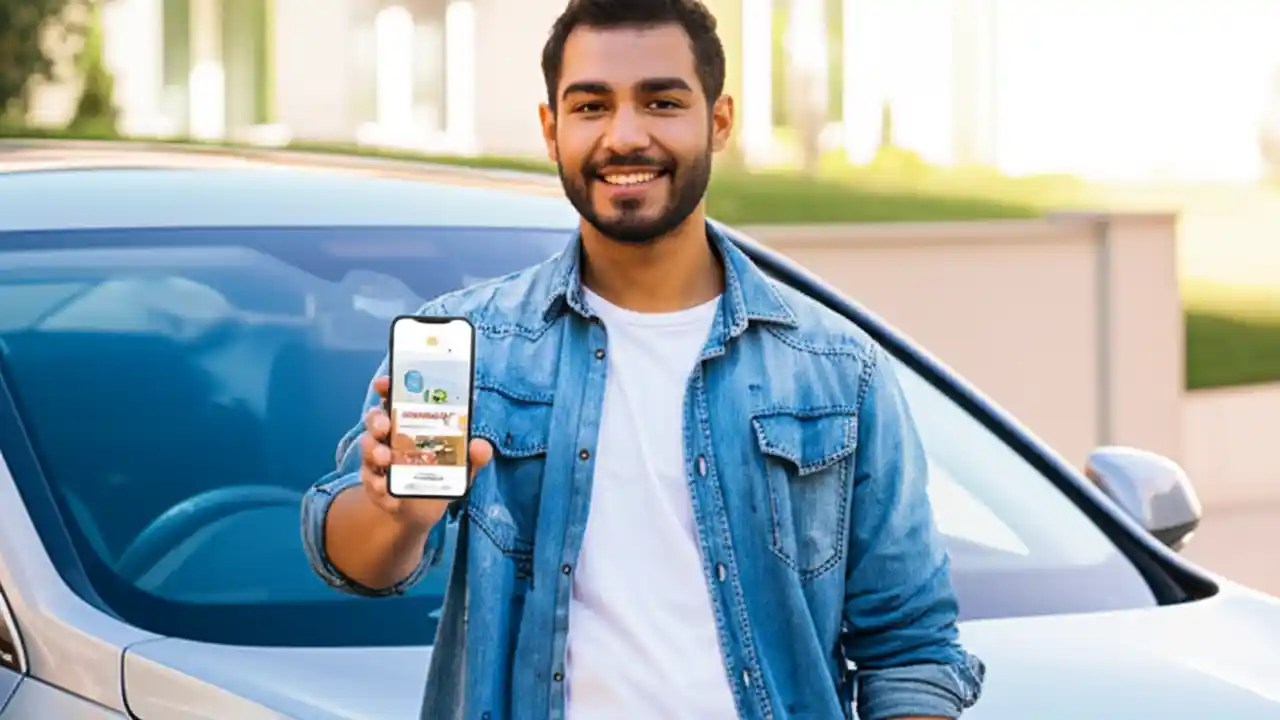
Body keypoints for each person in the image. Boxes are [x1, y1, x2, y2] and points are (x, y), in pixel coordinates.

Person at [300, 0, 986, 717]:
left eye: (661, 102)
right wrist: (400, 515)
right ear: (550, 129)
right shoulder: (473, 342)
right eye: (591, 106)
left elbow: (911, 646)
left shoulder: (837, 369)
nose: (625, 137)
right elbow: (353, 559)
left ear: (718, 121)